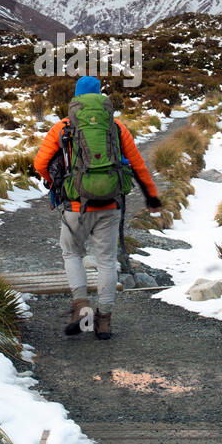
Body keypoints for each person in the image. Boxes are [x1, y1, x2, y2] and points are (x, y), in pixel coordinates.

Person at [33, 76, 162, 340]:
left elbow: (39, 164)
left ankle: (81, 307)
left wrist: (55, 181)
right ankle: (104, 321)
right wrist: (151, 196)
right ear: (101, 97)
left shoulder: (63, 127)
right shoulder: (116, 128)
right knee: (106, 261)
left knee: (72, 254)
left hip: (76, 205)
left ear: (76, 99)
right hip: (110, 204)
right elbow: (137, 165)